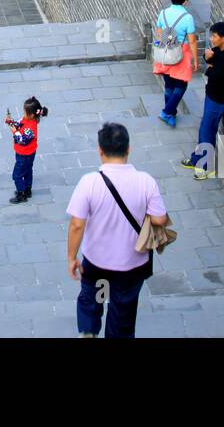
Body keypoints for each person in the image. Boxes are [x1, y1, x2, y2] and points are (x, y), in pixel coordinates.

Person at [67, 122, 168, 338]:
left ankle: (89, 330)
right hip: (132, 264)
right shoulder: (146, 182)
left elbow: (77, 224)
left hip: (97, 261)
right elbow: (159, 219)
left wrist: (71, 257)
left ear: (100, 151)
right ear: (128, 149)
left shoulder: (89, 182)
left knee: (93, 298)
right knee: (122, 312)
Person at [182, 22, 224, 179]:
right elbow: (209, 61)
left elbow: (215, 75)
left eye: (214, 36)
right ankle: (197, 158)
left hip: (219, 99)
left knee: (207, 130)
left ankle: (207, 168)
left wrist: (212, 64)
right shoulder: (219, 49)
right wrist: (209, 59)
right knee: (203, 128)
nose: (211, 39)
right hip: (211, 96)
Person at [153, 0, 197, 127]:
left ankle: (171, 114)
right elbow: (192, 40)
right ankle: (167, 112)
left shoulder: (163, 13)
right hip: (181, 53)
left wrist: (166, 43)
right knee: (181, 85)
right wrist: (195, 60)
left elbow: (159, 32)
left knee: (169, 85)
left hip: (166, 50)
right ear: (185, 1)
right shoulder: (187, 17)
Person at [5, 96, 48, 204]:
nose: (23, 113)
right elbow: (19, 124)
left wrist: (14, 131)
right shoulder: (26, 120)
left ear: (31, 114)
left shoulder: (31, 128)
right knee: (28, 170)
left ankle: (21, 194)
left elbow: (22, 140)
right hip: (28, 153)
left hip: (24, 154)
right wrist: (10, 122)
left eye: (25, 112)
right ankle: (27, 190)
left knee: (17, 175)